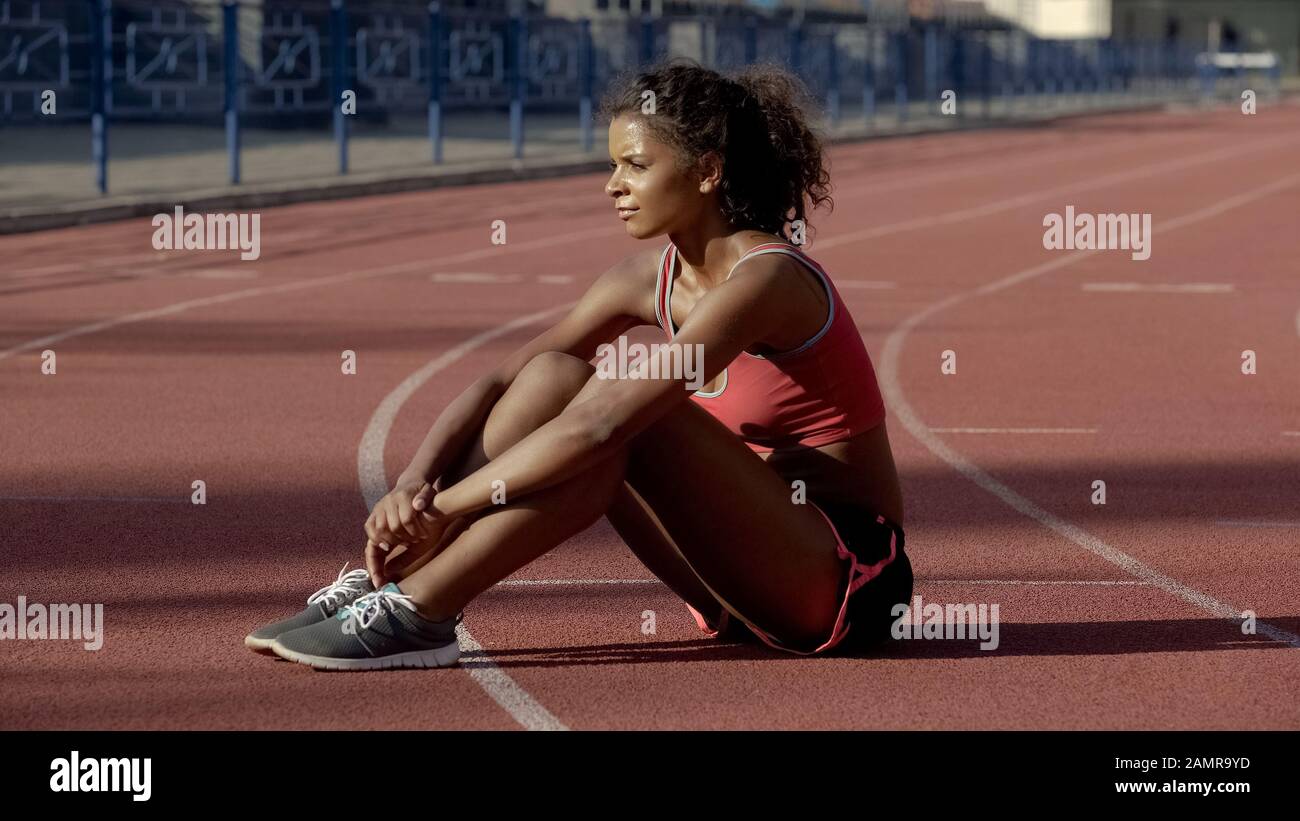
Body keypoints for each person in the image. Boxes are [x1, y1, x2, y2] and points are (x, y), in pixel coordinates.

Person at [245, 59, 913, 671]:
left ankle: (419, 607)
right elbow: (503, 379)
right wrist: (413, 488)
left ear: (707, 172)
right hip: (728, 578)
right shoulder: (645, 278)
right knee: (555, 376)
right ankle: (389, 580)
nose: (611, 185)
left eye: (635, 166)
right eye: (613, 165)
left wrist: (444, 510)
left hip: (841, 577)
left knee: (625, 420)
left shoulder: (768, 281)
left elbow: (604, 426)